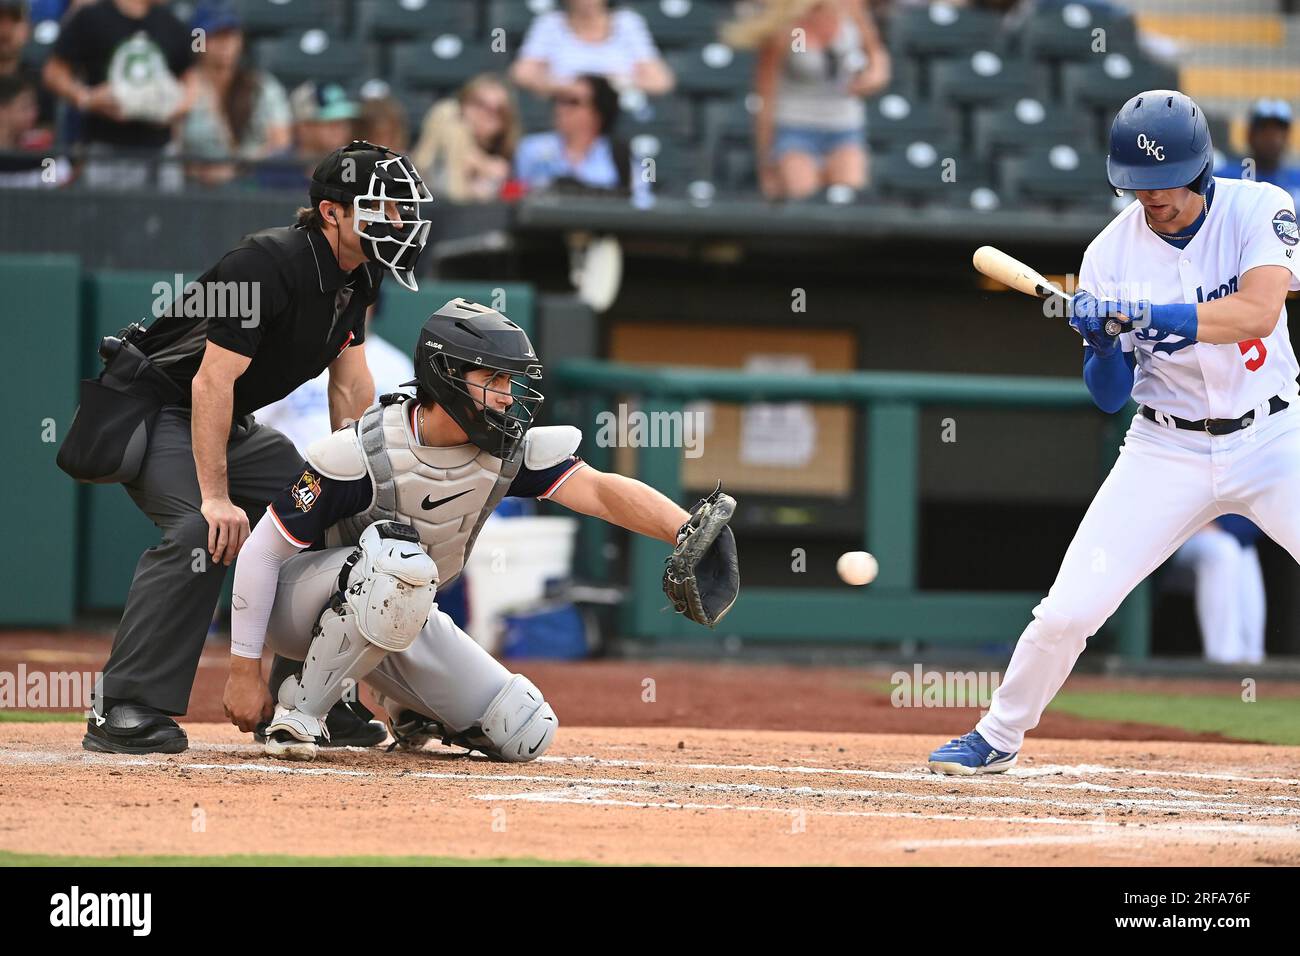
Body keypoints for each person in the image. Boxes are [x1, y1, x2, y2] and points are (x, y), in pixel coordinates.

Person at [929, 90, 1300, 775]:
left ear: (1199, 170)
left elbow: (1256, 312)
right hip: (1168, 448)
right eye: (1139, 188)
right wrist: (1100, 345)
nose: (1153, 200)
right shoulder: (1109, 252)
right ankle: (997, 736)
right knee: (1069, 610)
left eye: (1166, 186)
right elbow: (1109, 399)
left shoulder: (1260, 208)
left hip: (1274, 440)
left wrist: (1150, 312)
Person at [223, 299, 732, 762]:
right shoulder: (360, 453)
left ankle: (405, 702)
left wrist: (684, 530)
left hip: (403, 611)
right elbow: (262, 554)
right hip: (299, 608)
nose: (509, 399)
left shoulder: (504, 452)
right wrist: (244, 670)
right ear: (446, 376)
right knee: (394, 565)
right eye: (495, 380)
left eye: (512, 383)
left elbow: (598, 491)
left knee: (524, 729)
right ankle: (300, 715)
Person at [78, 141, 435, 755]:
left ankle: (312, 697)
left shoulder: (359, 273)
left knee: (331, 512)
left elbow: (350, 380)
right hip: (162, 409)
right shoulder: (264, 261)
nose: (398, 222)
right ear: (332, 212)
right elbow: (209, 381)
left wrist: (357, 469)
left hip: (228, 421)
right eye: (383, 209)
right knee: (200, 532)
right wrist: (216, 497)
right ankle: (124, 707)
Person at [724, 0, 890, 200]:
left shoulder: (851, 8)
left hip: (844, 127)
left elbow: (876, 53)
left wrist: (873, 76)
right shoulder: (793, 30)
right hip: (797, 129)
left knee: (851, 201)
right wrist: (765, 162)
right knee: (806, 205)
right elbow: (767, 98)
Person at [41, 0, 199, 189]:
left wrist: (176, 109)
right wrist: (86, 98)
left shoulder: (172, 23)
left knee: (164, 216)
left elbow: (192, 79)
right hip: (106, 147)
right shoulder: (91, 17)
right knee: (108, 216)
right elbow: (53, 72)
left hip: (160, 150)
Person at [179, 1, 291, 187]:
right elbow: (172, 149)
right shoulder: (185, 87)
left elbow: (281, 143)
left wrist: (235, 169)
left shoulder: (261, 86)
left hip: (254, 187)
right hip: (195, 189)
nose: (225, 43)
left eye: (231, 35)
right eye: (216, 35)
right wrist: (201, 171)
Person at [514, 73, 641, 199]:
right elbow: (512, 194)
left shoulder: (621, 154)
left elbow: (641, 202)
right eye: (559, 100)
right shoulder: (531, 148)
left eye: (572, 102)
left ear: (597, 111)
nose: (561, 108)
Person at [511, 0, 673, 97]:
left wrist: (617, 84)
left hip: (618, 114)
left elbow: (661, 81)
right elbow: (521, 74)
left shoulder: (628, 23)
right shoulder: (549, 24)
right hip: (566, 111)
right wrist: (563, 88)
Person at [1168, 516, 1265, 665]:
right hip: (1180, 536)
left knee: (1243, 552)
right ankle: (1223, 661)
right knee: (1224, 549)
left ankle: (1251, 664)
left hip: (1237, 538)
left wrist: (1225, 526)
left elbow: (1260, 521)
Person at [410, 73, 520, 202]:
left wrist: (480, 165)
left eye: (498, 111)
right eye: (479, 104)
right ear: (462, 104)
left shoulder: (500, 167)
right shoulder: (445, 120)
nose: (485, 115)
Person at [1216, 99, 1300, 207]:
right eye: (1264, 130)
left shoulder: (1297, 179)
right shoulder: (1225, 179)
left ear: (1287, 136)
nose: (1272, 138)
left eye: (1278, 132)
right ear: (1250, 135)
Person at [0, 72, 69, 185]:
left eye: (34, 107)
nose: (34, 114)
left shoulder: (44, 153)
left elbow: (58, 184)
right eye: (25, 107)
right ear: (2, 111)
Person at [0, 0, 54, 130]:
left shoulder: (42, 80)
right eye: (0, 20)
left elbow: (49, 132)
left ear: (28, 28)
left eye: (15, 20)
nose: (5, 30)